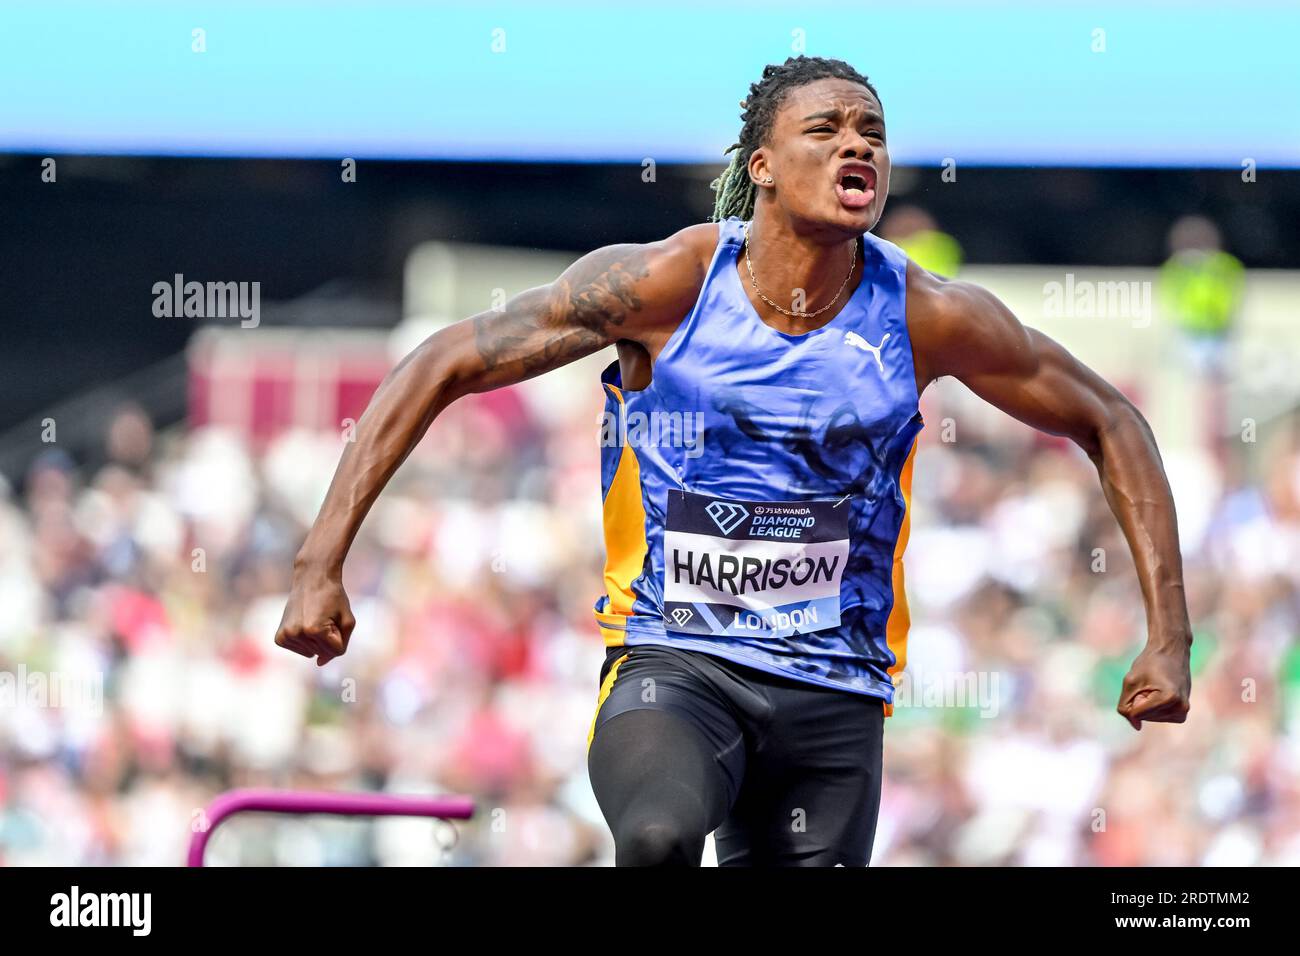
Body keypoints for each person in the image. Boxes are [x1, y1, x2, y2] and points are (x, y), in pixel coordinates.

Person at [274, 56, 1192, 866]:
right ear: (762, 166)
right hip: (677, 663)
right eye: (825, 130)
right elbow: (444, 361)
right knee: (657, 839)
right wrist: (320, 562)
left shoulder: (927, 314)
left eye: (872, 133)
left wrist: (1168, 636)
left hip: (834, 689)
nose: (857, 146)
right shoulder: (669, 284)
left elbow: (1112, 420)